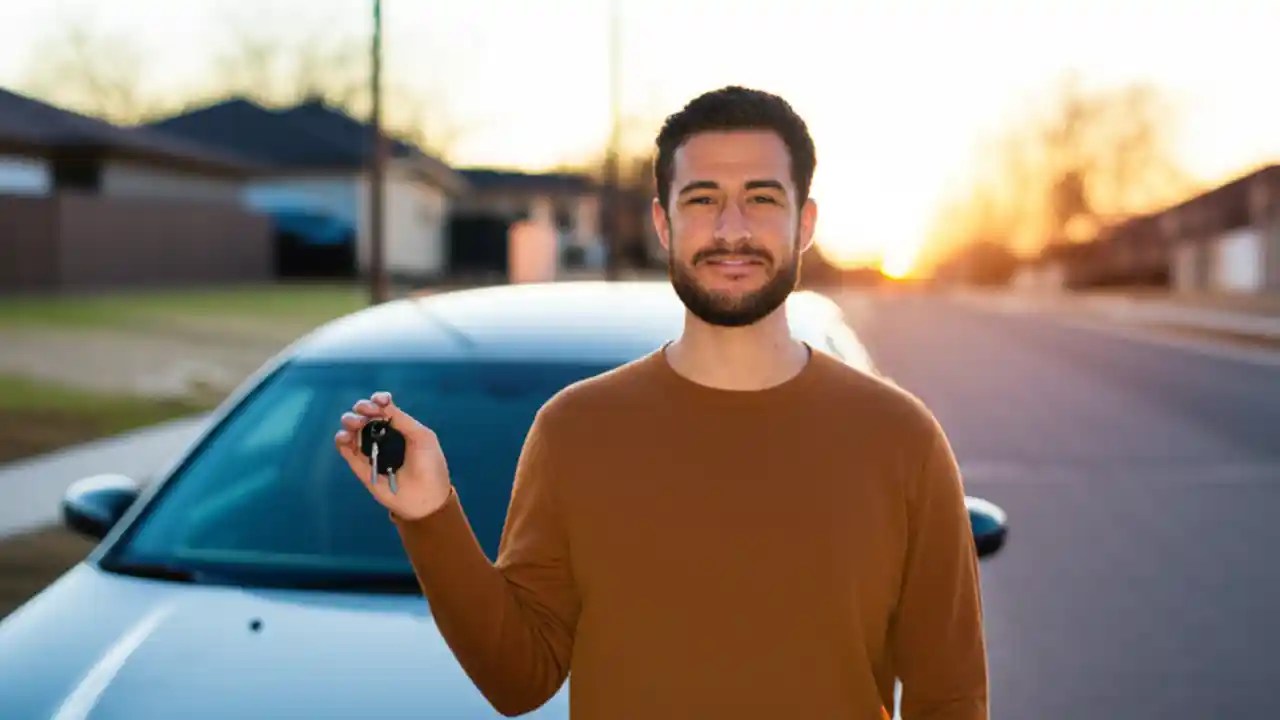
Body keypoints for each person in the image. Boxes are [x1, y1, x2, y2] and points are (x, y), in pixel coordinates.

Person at [334, 86, 988, 719]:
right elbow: (518, 680)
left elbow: (950, 702)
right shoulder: (575, 432)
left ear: (805, 222)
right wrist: (429, 517)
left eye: (761, 198)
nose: (731, 230)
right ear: (662, 223)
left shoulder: (899, 439)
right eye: (702, 200)